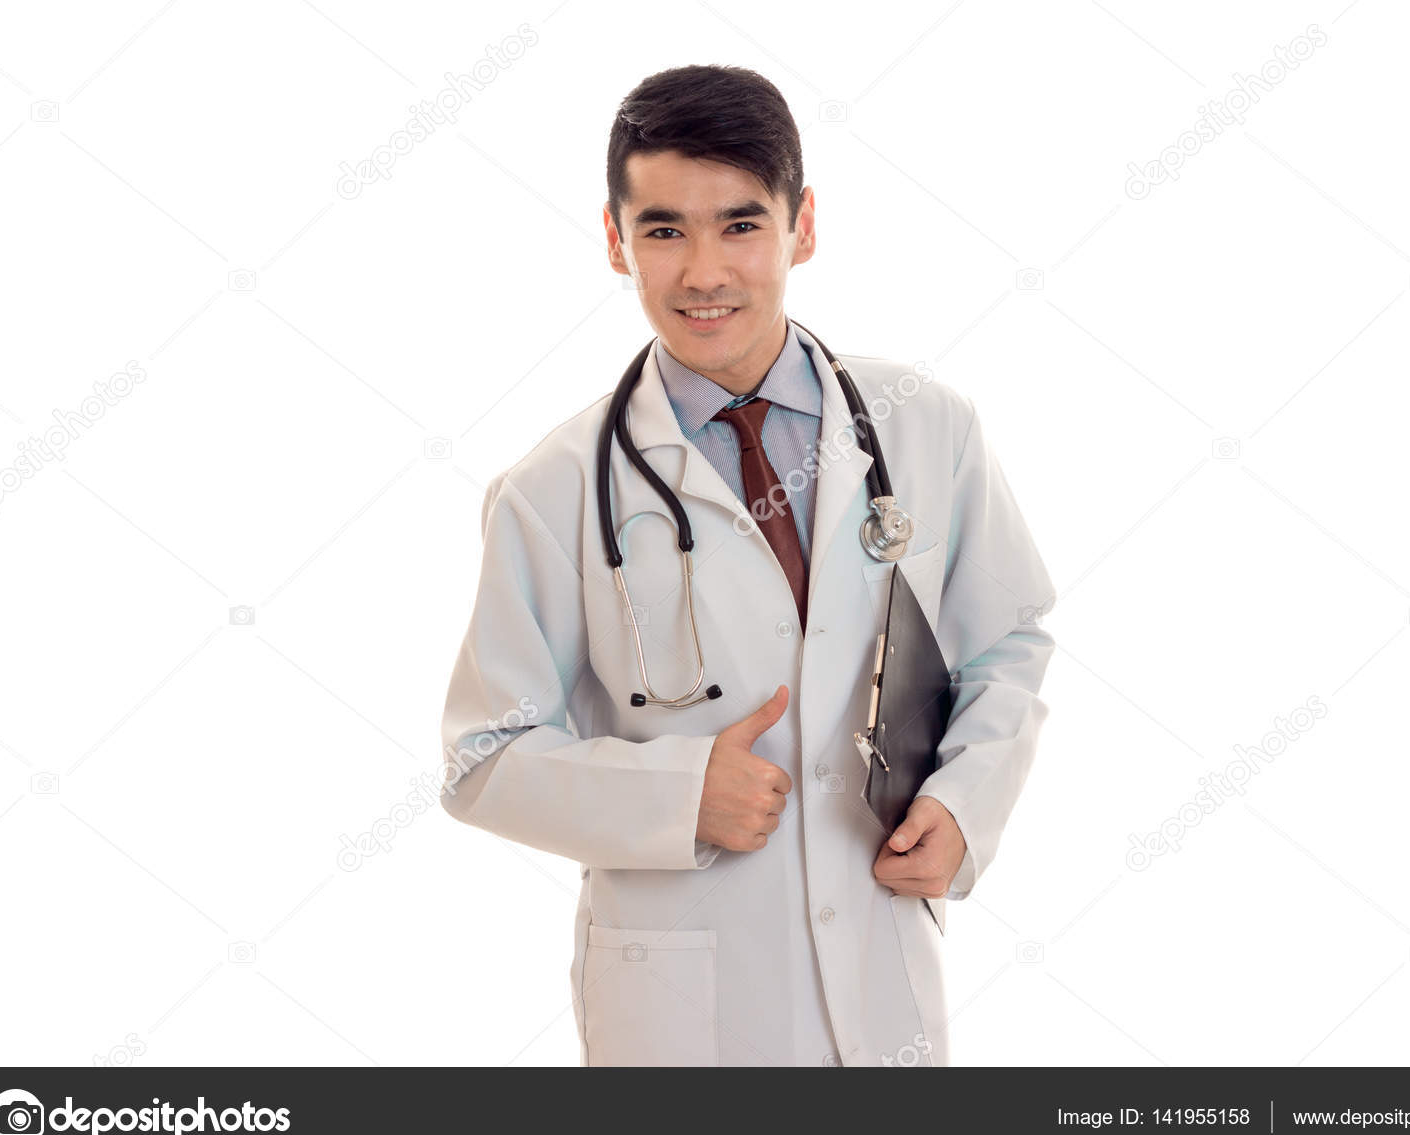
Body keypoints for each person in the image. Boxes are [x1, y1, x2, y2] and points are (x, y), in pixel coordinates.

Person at [440, 64, 1055, 1066]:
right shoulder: (550, 490)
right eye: (663, 230)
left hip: (880, 961)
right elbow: (482, 760)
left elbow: (1006, 640)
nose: (703, 273)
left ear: (801, 226)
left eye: (739, 224)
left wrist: (962, 801)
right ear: (614, 241)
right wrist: (678, 795)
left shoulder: (923, 427)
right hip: (677, 1007)